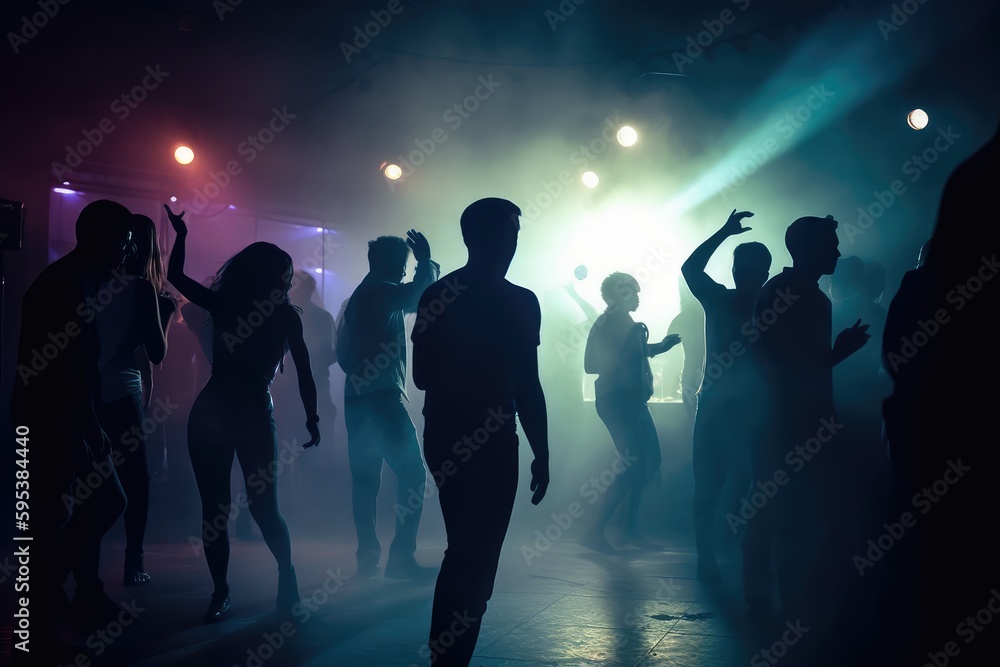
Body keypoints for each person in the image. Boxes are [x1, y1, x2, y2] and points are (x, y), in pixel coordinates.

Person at [164, 204, 320, 623]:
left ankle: (237, 590)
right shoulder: (274, 312)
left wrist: (180, 236)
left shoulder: (232, 304)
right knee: (256, 507)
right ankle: (256, 585)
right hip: (243, 411)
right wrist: (313, 417)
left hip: (221, 409)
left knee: (230, 509)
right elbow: (304, 370)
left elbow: (175, 278)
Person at [411, 197, 549, 666]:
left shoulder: (438, 295)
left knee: (468, 547)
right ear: (487, 237)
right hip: (492, 433)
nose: (513, 242)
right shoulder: (521, 301)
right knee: (479, 550)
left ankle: (446, 654)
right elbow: (528, 384)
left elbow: (422, 376)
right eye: (510, 233)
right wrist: (541, 451)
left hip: (449, 429)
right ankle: (449, 655)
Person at [10, 200, 133, 662]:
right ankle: (37, 622)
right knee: (55, 520)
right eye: (121, 242)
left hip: (48, 418)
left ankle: (43, 609)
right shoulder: (67, 286)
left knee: (52, 521)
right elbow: (65, 369)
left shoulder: (67, 281)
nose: (125, 252)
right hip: (51, 421)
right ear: (100, 238)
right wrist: (89, 425)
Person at [752, 214, 869, 656]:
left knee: (799, 511)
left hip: (801, 418)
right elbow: (787, 363)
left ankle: (794, 605)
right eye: (832, 244)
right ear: (808, 248)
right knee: (794, 511)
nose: (838, 251)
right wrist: (836, 354)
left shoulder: (798, 292)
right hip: (792, 420)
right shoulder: (789, 293)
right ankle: (794, 608)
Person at [336, 232, 439, 578]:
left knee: (365, 481)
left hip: (358, 398)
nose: (408, 271)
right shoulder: (381, 292)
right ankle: (401, 559)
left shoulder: (361, 296)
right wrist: (426, 261)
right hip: (382, 397)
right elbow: (422, 297)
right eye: (406, 265)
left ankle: (368, 558)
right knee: (412, 474)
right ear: (395, 265)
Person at [680, 209, 771, 586]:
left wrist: (723, 233)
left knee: (715, 484)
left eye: (744, 267)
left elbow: (689, 269)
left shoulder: (722, 299)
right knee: (748, 484)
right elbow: (689, 270)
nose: (743, 273)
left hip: (724, 402)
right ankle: (738, 561)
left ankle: (713, 558)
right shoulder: (759, 303)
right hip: (742, 404)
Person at [581, 272, 681, 552]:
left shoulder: (626, 323)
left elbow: (631, 353)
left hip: (632, 401)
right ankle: (600, 531)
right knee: (636, 462)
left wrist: (659, 347)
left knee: (649, 461)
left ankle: (626, 530)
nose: (638, 297)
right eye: (632, 292)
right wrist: (632, 344)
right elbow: (591, 365)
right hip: (616, 401)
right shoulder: (606, 323)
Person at [96, 214, 171, 587]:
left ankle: (84, 576)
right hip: (124, 392)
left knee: (92, 482)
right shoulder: (142, 289)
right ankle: (133, 562)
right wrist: (166, 316)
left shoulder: (91, 283)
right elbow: (156, 353)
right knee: (135, 481)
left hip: (89, 391)